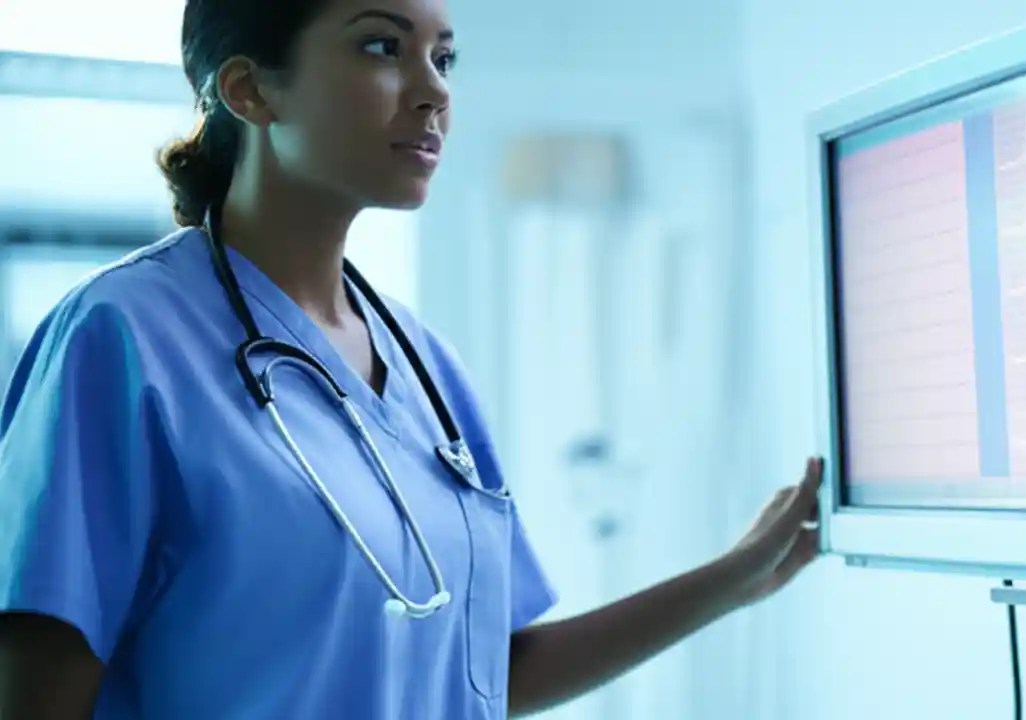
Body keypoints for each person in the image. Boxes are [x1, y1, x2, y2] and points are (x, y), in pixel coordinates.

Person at [0, 0, 823, 717]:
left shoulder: (425, 366)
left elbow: (492, 672)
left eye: (445, 56)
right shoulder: (118, 341)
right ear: (251, 89)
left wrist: (734, 580)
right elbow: (35, 688)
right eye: (382, 47)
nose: (434, 92)